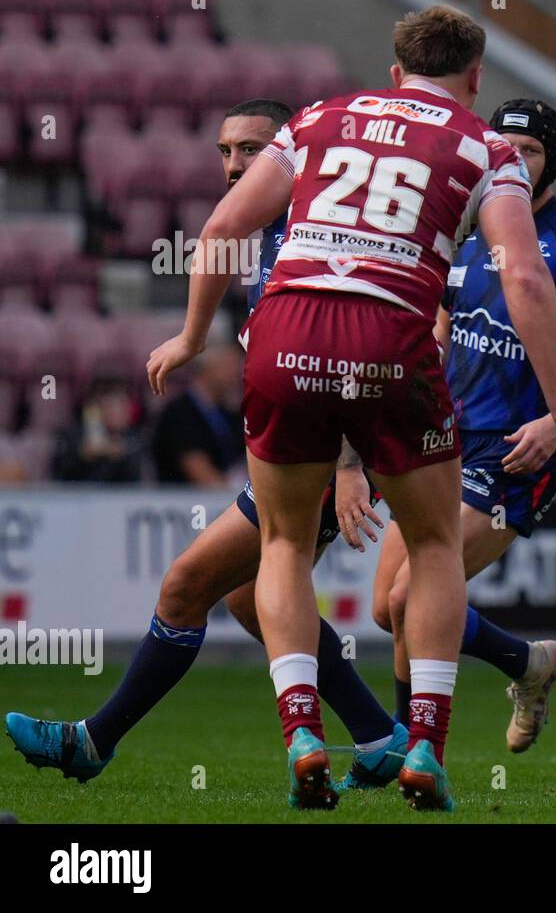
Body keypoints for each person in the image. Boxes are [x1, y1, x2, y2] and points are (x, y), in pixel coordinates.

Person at [143, 6, 556, 811]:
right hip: (391, 333)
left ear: (395, 73)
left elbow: (219, 228)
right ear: (475, 79)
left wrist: (186, 339)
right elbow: (524, 278)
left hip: (286, 329)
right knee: (430, 545)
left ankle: (304, 734)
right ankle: (423, 742)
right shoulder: (483, 147)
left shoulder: (319, 118)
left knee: (281, 542)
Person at [5, 99, 406, 793]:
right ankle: (378, 736)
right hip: (301, 450)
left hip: (325, 454)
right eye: (225, 152)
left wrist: (349, 466)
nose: (233, 167)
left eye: (251, 150)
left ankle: (92, 742)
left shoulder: (317, 237)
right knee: (252, 600)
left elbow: (353, 358)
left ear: (292, 156)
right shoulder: (272, 237)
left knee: (187, 586)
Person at [370, 98, 556, 753]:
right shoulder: (467, 229)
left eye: (530, 153)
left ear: (551, 161)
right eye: (506, 150)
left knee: (415, 600)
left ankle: (413, 750)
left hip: (513, 454)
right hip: (442, 440)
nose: (516, 164)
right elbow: (441, 322)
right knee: (387, 609)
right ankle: (527, 663)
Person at [151, 344, 243, 485]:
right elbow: (200, 472)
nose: (236, 373)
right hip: (186, 502)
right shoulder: (179, 413)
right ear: (205, 369)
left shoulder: (229, 413)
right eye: (228, 366)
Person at [51, 375, 147, 483]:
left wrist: (119, 452)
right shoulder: (74, 436)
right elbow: (61, 476)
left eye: (124, 406)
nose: (121, 412)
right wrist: (82, 455)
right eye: (112, 406)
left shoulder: (136, 438)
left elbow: (137, 477)